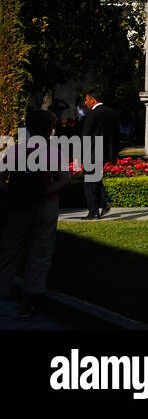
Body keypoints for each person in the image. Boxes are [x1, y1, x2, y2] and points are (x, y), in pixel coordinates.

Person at [0, 109, 71, 319]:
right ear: (50, 131)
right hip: (46, 206)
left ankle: (2, 294)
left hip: (18, 206)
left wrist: (14, 193)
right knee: (41, 252)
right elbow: (64, 179)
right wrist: (43, 192)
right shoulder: (54, 152)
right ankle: (30, 300)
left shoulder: (15, 152)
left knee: (9, 250)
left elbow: (1, 178)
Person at [80, 90, 118, 220]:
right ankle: (104, 201)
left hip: (92, 151)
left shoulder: (92, 114)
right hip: (105, 151)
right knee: (95, 179)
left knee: (90, 182)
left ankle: (94, 211)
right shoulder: (112, 112)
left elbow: (86, 135)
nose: (85, 103)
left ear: (93, 100)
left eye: (86, 100)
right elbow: (116, 135)